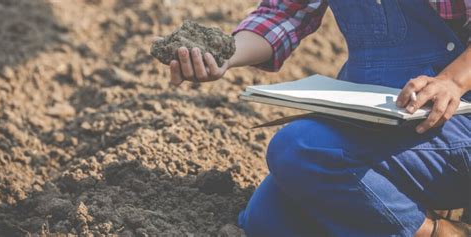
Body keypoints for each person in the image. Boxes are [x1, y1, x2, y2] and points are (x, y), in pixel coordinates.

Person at [159, 0, 471, 236]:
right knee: (269, 220)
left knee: (300, 148)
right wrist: (224, 55)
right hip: (373, 117)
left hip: (451, 122)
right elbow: (285, 14)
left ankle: (436, 231)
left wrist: (452, 82)